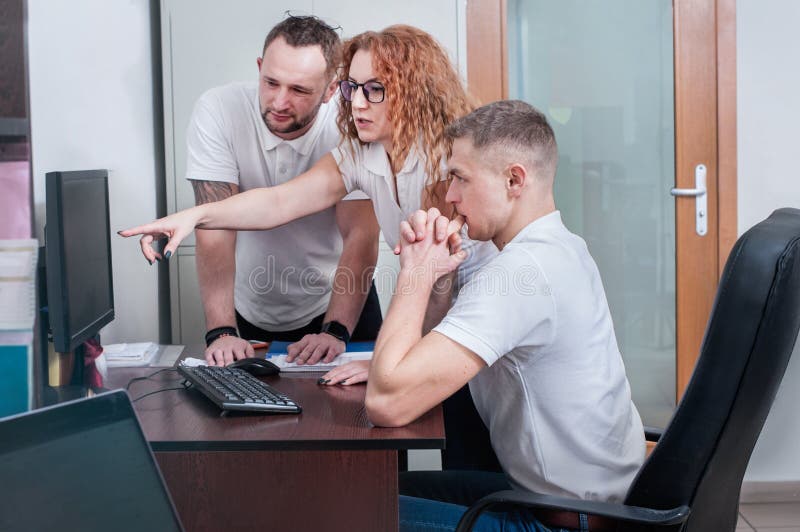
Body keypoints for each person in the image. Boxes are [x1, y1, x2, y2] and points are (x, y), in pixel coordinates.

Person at [358, 100, 645, 531]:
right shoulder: (563, 248)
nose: (449, 196)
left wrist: (414, 273)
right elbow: (423, 357)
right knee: (370, 488)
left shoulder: (520, 273)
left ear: (514, 180)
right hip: (580, 504)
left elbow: (387, 403)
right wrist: (438, 280)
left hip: (561, 522)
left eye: (460, 177)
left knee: (352, 508)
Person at [121, 24, 495, 354]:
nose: (357, 102)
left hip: (479, 315)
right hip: (444, 330)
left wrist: (390, 365)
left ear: (413, 92)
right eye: (353, 88)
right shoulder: (362, 155)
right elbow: (279, 202)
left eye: (375, 89)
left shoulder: (444, 162)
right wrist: (195, 216)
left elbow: (434, 283)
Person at [180, 15, 383, 367]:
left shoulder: (353, 122)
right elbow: (216, 230)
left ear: (331, 90)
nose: (279, 101)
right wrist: (221, 331)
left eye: (299, 90)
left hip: (340, 300)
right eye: (271, 82)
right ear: (260, 67)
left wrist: (335, 331)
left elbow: (360, 235)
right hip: (252, 301)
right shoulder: (219, 110)